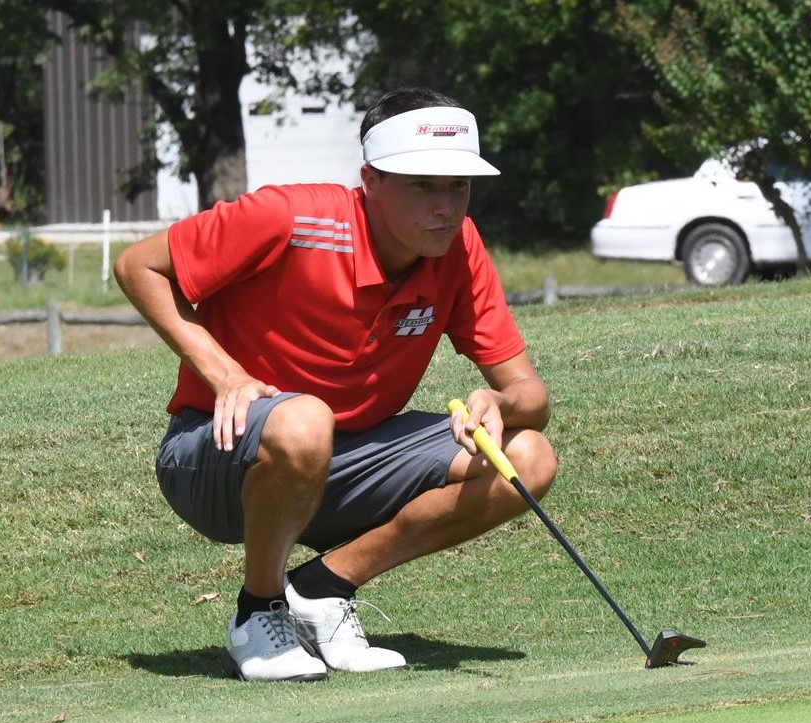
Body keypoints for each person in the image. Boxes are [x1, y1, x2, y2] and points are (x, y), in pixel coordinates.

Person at [114, 87, 556, 682]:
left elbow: (532, 396)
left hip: (349, 461)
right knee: (304, 420)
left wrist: (501, 402)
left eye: (458, 186)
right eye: (422, 185)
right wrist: (225, 374)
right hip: (213, 459)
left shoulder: (459, 249)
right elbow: (136, 265)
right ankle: (257, 611)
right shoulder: (288, 217)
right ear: (370, 180)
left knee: (528, 459)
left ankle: (322, 588)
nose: (445, 207)